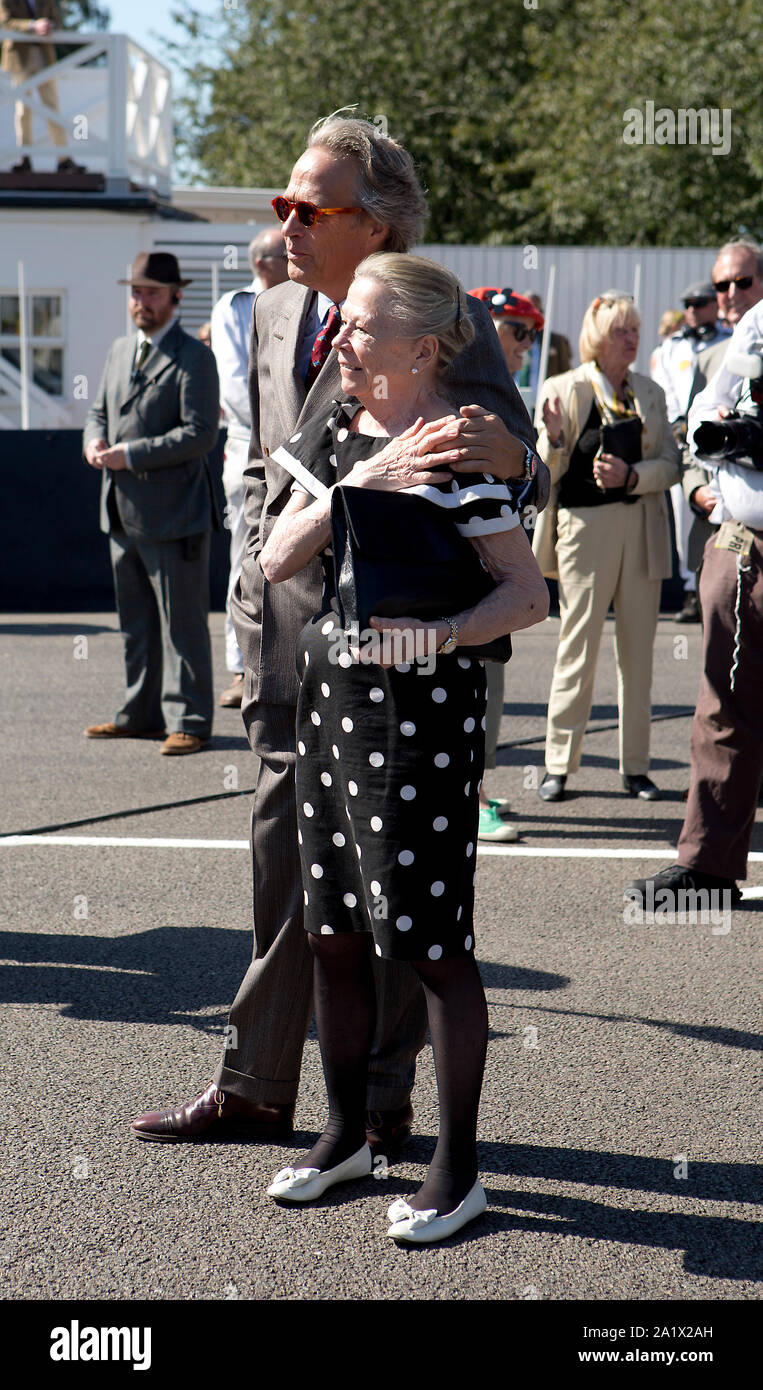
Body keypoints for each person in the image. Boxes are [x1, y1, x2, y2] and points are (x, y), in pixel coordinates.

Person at [131, 114, 543, 1152]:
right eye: (281, 205)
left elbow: (502, 465)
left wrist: (525, 467)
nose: (286, 224)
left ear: (378, 223)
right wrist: (245, 630)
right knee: (295, 880)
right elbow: (270, 486)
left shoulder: (443, 320)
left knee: (399, 897)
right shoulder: (273, 312)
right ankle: (263, 1085)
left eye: (307, 208)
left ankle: (378, 1102)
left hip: (405, 671)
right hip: (286, 645)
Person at [260, 252, 549, 1242]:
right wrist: (356, 482)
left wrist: (441, 635)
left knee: (430, 949)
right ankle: (344, 1137)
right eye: (342, 324)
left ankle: (457, 1171)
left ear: (421, 349)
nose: (340, 339)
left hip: (424, 722)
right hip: (332, 706)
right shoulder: (342, 433)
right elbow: (272, 558)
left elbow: (526, 591)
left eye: (362, 327)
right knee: (333, 935)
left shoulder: (461, 451)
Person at [625, 294, 763, 909]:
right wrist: (728, 432)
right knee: (722, 705)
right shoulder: (759, 323)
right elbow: (711, 402)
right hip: (742, 543)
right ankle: (707, 866)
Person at [533, 291, 681, 802]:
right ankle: (557, 765)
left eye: (636, 328)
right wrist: (553, 441)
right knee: (577, 650)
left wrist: (634, 474)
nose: (632, 337)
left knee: (638, 657)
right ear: (599, 335)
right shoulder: (563, 388)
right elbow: (542, 474)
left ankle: (635, 767)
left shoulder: (651, 391)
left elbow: (673, 464)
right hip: (583, 531)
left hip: (641, 528)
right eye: (622, 329)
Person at [83, 252, 220, 756]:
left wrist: (129, 454)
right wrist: (92, 441)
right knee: (135, 621)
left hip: (176, 514)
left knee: (182, 624)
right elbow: (98, 412)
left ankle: (192, 719)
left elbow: (201, 434)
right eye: (136, 292)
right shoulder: (121, 350)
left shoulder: (194, 357)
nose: (141, 302)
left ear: (176, 297)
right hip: (121, 510)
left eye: (152, 293)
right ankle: (139, 713)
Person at [469, 286, 548, 842]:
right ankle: (468, 796)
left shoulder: (504, 389)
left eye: (532, 332)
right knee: (472, 682)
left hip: (495, 562)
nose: (527, 342)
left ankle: (471, 788)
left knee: (488, 682)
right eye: (517, 329)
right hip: (464, 564)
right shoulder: (467, 388)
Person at [210, 226, 288, 710]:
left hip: (298, 448)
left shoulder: (307, 301)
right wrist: (282, 432)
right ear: (262, 263)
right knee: (247, 556)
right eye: (285, 253)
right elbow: (235, 387)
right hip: (251, 449)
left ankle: (284, 662)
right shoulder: (234, 308)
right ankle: (241, 668)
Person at [682, 241, 763, 586]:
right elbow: (691, 434)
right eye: (721, 285)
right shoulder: (708, 357)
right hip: (729, 527)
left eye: (743, 282)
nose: (731, 293)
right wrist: (696, 491)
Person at [652, 281, 731, 624]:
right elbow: (664, 386)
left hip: (723, 436)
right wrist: (677, 422)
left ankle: (722, 581)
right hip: (684, 439)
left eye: (700, 302)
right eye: (688, 304)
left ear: (715, 305)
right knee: (687, 512)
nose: (693, 309)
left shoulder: (730, 340)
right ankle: (691, 587)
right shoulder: (672, 347)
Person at [0, 0, 81, 173]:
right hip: (20, 59)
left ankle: (63, 159)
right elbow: (5, 21)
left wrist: (49, 26)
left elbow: (57, 21)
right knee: (23, 109)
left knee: (52, 107)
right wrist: (32, 26)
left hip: (44, 56)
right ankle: (25, 158)